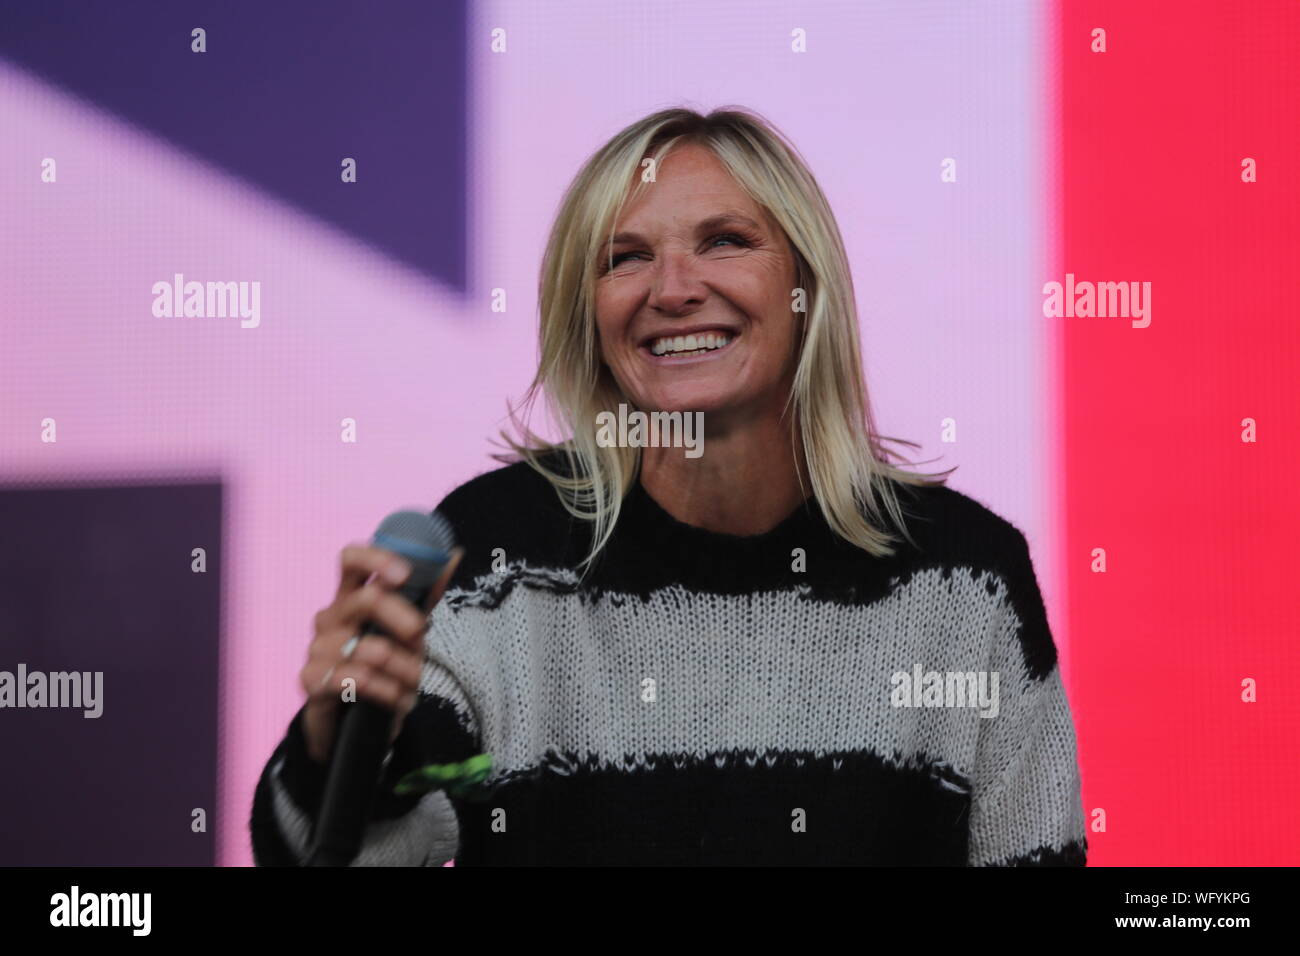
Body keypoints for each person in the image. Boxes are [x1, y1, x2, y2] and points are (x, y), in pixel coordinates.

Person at [250, 106, 1087, 866]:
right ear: (589, 314)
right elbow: (345, 859)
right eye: (626, 258)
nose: (675, 290)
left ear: (807, 291)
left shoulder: (964, 579)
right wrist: (334, 747)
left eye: (725, 240)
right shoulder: (503, 557)